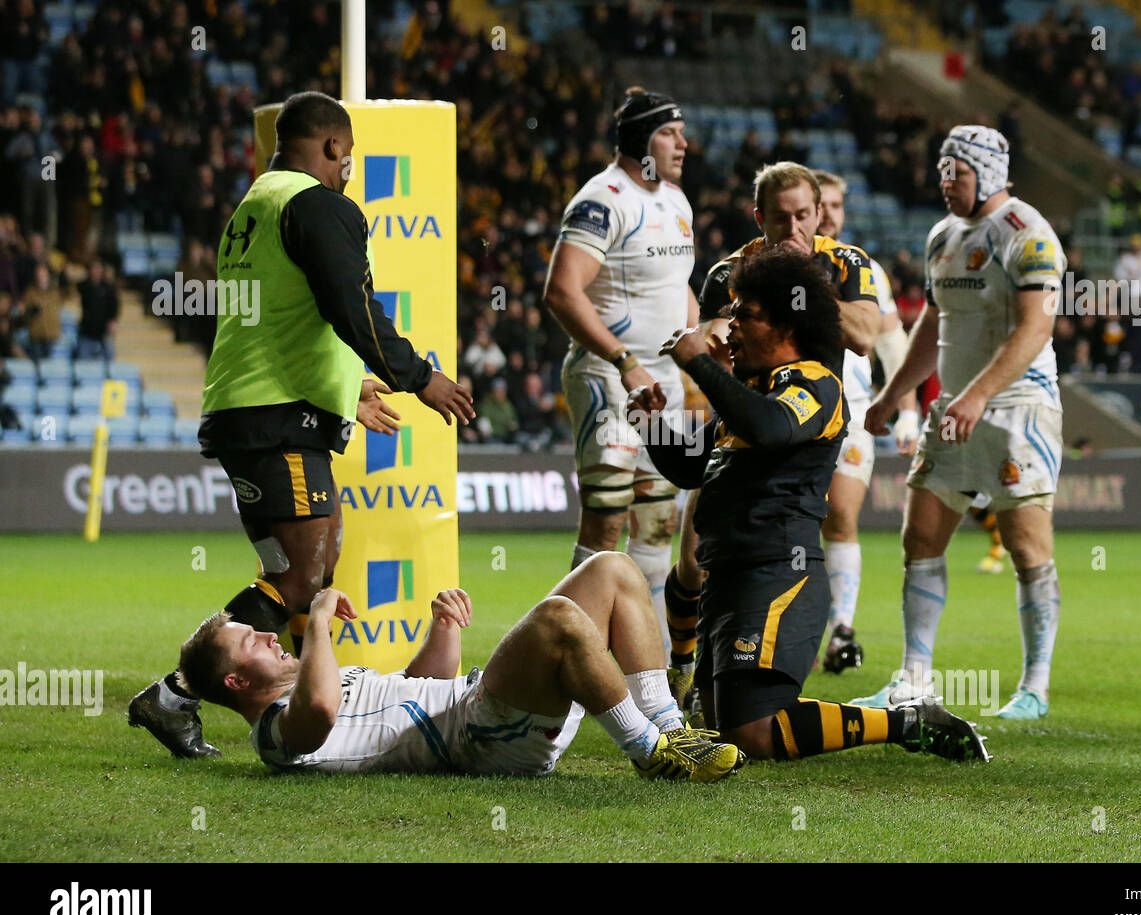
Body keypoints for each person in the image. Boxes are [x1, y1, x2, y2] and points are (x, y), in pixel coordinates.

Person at [129, 92, 475, 758]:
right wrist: (420, 376)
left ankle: (302, 691)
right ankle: (174, 695)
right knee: (300, 578)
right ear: (335, 147)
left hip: (256, 408)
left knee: (308, 563)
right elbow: (352, 306)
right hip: (276, 420)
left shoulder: (253, 207)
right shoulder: (318, 205)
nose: (349, 168)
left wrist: (348, 391)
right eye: (349, 155)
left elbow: (281, 325)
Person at [629, 246, 988, 763]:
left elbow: (769, 428)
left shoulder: (815, 383)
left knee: (752, 734)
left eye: (746, 314)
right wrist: (648, 423)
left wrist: (701, 365)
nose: (731, 327)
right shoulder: (753, 392)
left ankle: (909, 722)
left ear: (785, 326)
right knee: (717, 727)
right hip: (726, 575)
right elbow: (691, 468)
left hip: (777, 574)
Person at [176, 551, 745, 782]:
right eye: (251, 641)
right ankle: (648, 752)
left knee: (611, 569)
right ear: (236, 682)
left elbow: (419, 687)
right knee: (559, 619)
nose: (268, 635)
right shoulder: (274, 735)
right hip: (481, 737)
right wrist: (318, 620)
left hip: (479, 712)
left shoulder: (314, 686)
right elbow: (321, 710)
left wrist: (442, 629)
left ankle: (670, 728)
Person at [853, 125, 1064, 720]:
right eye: (943, 170)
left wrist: (977, 396)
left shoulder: (1029, 235)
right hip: (956, 407)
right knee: (920, 536)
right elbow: (935, 322)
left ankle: (1035, 688)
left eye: (959, 172)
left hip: (1018, 407)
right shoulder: (943, 235)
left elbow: (1036, 328)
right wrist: (892, 394)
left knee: (1026, 547)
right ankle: (914, 680)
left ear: (990, 174)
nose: (946, 182)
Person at [661, 161, 880, 716]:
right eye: (780, 218)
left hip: (808, 415)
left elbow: (865, 336)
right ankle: (685, 668)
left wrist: (798, 289)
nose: (794, 227)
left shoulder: (845, 262)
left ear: (820, 213)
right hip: (740, 413)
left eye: (804, 215)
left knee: (818, 522)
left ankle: (834, 632)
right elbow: (714, 335)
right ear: (759, 218)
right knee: (695, 557)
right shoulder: (729, 272)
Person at [542, 86, 697, 654]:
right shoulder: (602, 199)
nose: (682, 143)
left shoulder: (676, 201)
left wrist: (701, 355)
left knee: (657, 523)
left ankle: (648, 666)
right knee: (607, 519)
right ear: (640, 140)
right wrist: (624, 361)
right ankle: (571, 656)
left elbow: (678, 290)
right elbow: (562, 291)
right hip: (610, 377)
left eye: (681, 132)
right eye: (669, 133)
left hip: (665, 381)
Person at [811, 169, 919, 671]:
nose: (829, 214)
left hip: (851, 412)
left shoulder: (864, 268)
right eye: (821, 205)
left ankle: (842, 631)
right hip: (790, 412)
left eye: (836, 205)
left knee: (841, 514)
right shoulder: (780, 264)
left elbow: (894, 344)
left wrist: (908, 410)